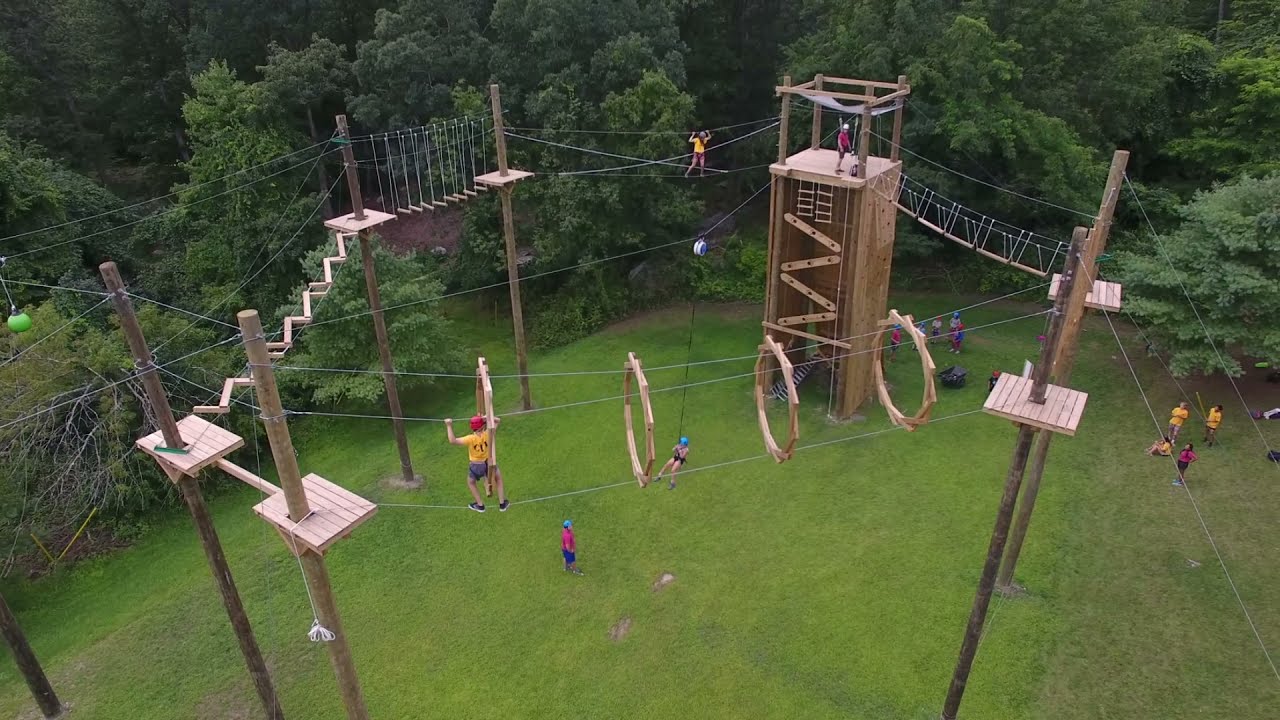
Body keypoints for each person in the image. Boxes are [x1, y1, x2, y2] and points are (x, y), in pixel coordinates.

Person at [444, 415, 509, 513]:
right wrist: (486, 417)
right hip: (488, 462)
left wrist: (449, 425)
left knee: (471, 482)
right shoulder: (488, 433)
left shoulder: (470, 438)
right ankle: (502, 504)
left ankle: (480, 505)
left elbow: (453, 441)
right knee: (498, 478)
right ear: (483, 426)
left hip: (476, 465)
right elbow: (497, 421)